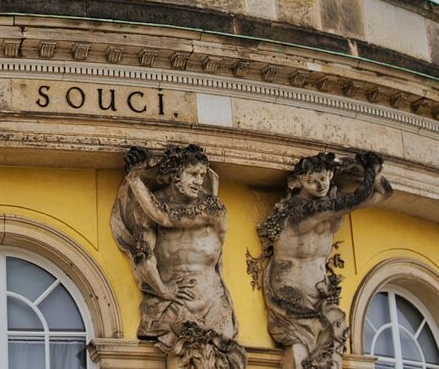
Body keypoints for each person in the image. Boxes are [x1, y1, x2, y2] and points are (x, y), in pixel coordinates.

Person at [251, 152, 392, 369]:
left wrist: (367, 172)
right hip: (290, 289)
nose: (320, 186)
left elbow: (384, 193)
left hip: (320, 294)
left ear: (330, 175)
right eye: (312, 181)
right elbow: (360, 197)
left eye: (324, 178)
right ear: (297, 183)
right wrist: (370, 167)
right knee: (320, 336)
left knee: (331, 337)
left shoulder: (330, 205)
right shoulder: (302, 210)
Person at [112, 144, 245, 369]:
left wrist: (135, 180)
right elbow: (143, 255)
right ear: (175, 175)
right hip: (173, 303)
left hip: (212, 300)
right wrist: (162, 290)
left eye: (202, 175)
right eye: (192, 174)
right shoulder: (144, 212)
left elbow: (166, 216)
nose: (199, 181)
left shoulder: (212, 207)